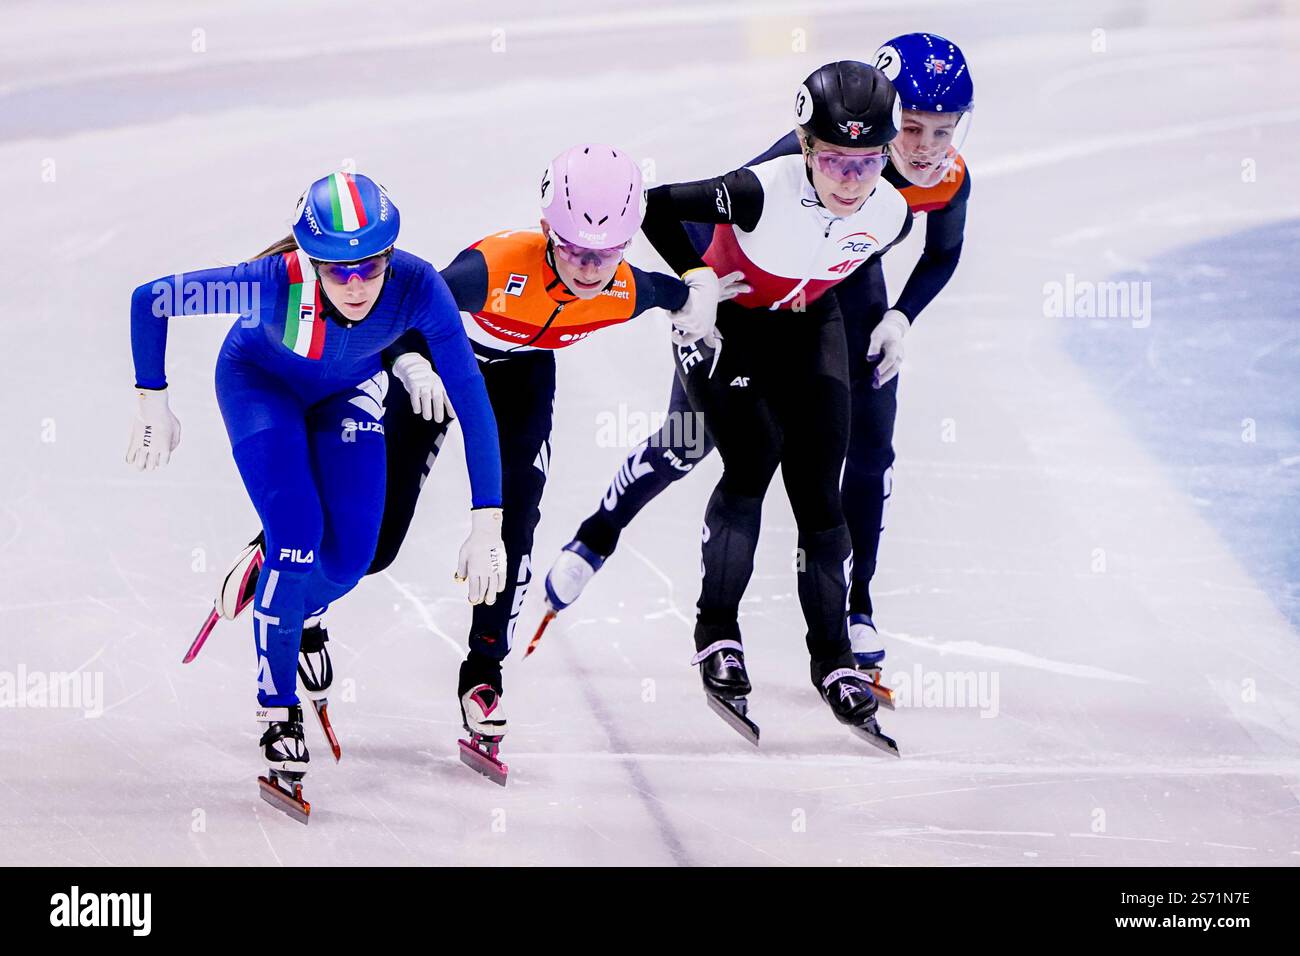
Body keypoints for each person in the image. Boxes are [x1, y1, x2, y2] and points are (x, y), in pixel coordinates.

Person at [211, 147, 722, 785]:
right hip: (434, 364)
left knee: (513, 528)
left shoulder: (625, 288)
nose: (590, 270)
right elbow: (394, 307)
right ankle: (292, 568)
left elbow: (679, 294)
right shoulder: (493, 267)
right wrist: (407, 360)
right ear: (547, 233)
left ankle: (485, 674)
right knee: (377, 542)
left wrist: (699, 292)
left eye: (606, 255)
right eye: (573, 252)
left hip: (521, 381)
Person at [545, 34, 973, 689]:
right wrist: (700, 288)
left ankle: (857, 605)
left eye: (941, 132)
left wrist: (901, 316)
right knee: (689, 444)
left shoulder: (942, 177)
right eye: (909, 127)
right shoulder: (810, 158)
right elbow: (700, 216)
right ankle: (597, 535)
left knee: (868, 444)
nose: (922, 149)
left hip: (838, 294)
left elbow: (942, 251)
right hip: (749, 292)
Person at [127, 172, 505, 819]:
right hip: (259, 386)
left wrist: (488, 522)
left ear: (391, 255)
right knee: (298, 538)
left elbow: (470, 397)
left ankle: (283, 591)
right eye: (338, 271)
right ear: (310, 261)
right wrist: (151, 398)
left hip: (346, 392)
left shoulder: (418, 287)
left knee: (354, 558)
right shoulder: (273, 281)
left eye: (370, 266)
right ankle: (278, 713)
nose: (356, 285)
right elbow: (150, 299)